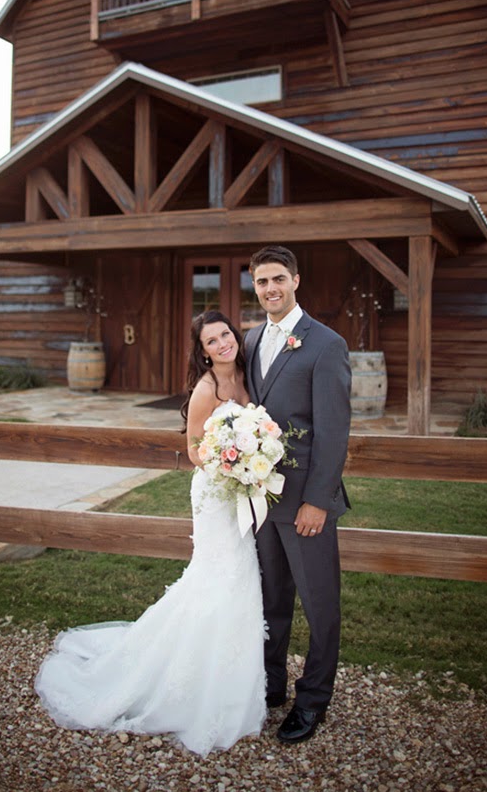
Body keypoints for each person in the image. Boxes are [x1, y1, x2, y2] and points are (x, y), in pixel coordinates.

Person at [35, 310, 266, 756]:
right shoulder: (206, 390)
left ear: (234, 336)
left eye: (225, 335)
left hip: (241, 488)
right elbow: (194, 450)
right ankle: (186, 685)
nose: (222, 344)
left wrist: (253, 458)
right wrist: (233, 460)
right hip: (216, 494)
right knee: (215, 579)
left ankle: (234, 686)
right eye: (211, 342)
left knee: (242, 578)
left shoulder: (246, 372)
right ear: (201, 352)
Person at [244, 244, 351, 744]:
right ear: (255, 286)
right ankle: (271, 686)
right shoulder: (249, 341)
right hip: (261, 499)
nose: (271, 289)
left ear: (296, 280)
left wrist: (318, 501)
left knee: (320, 603)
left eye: (278, 279)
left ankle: (313, 701)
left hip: (305, 500)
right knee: (271, 600)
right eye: (262, 281)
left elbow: (333, 431)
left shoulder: (325, 344)